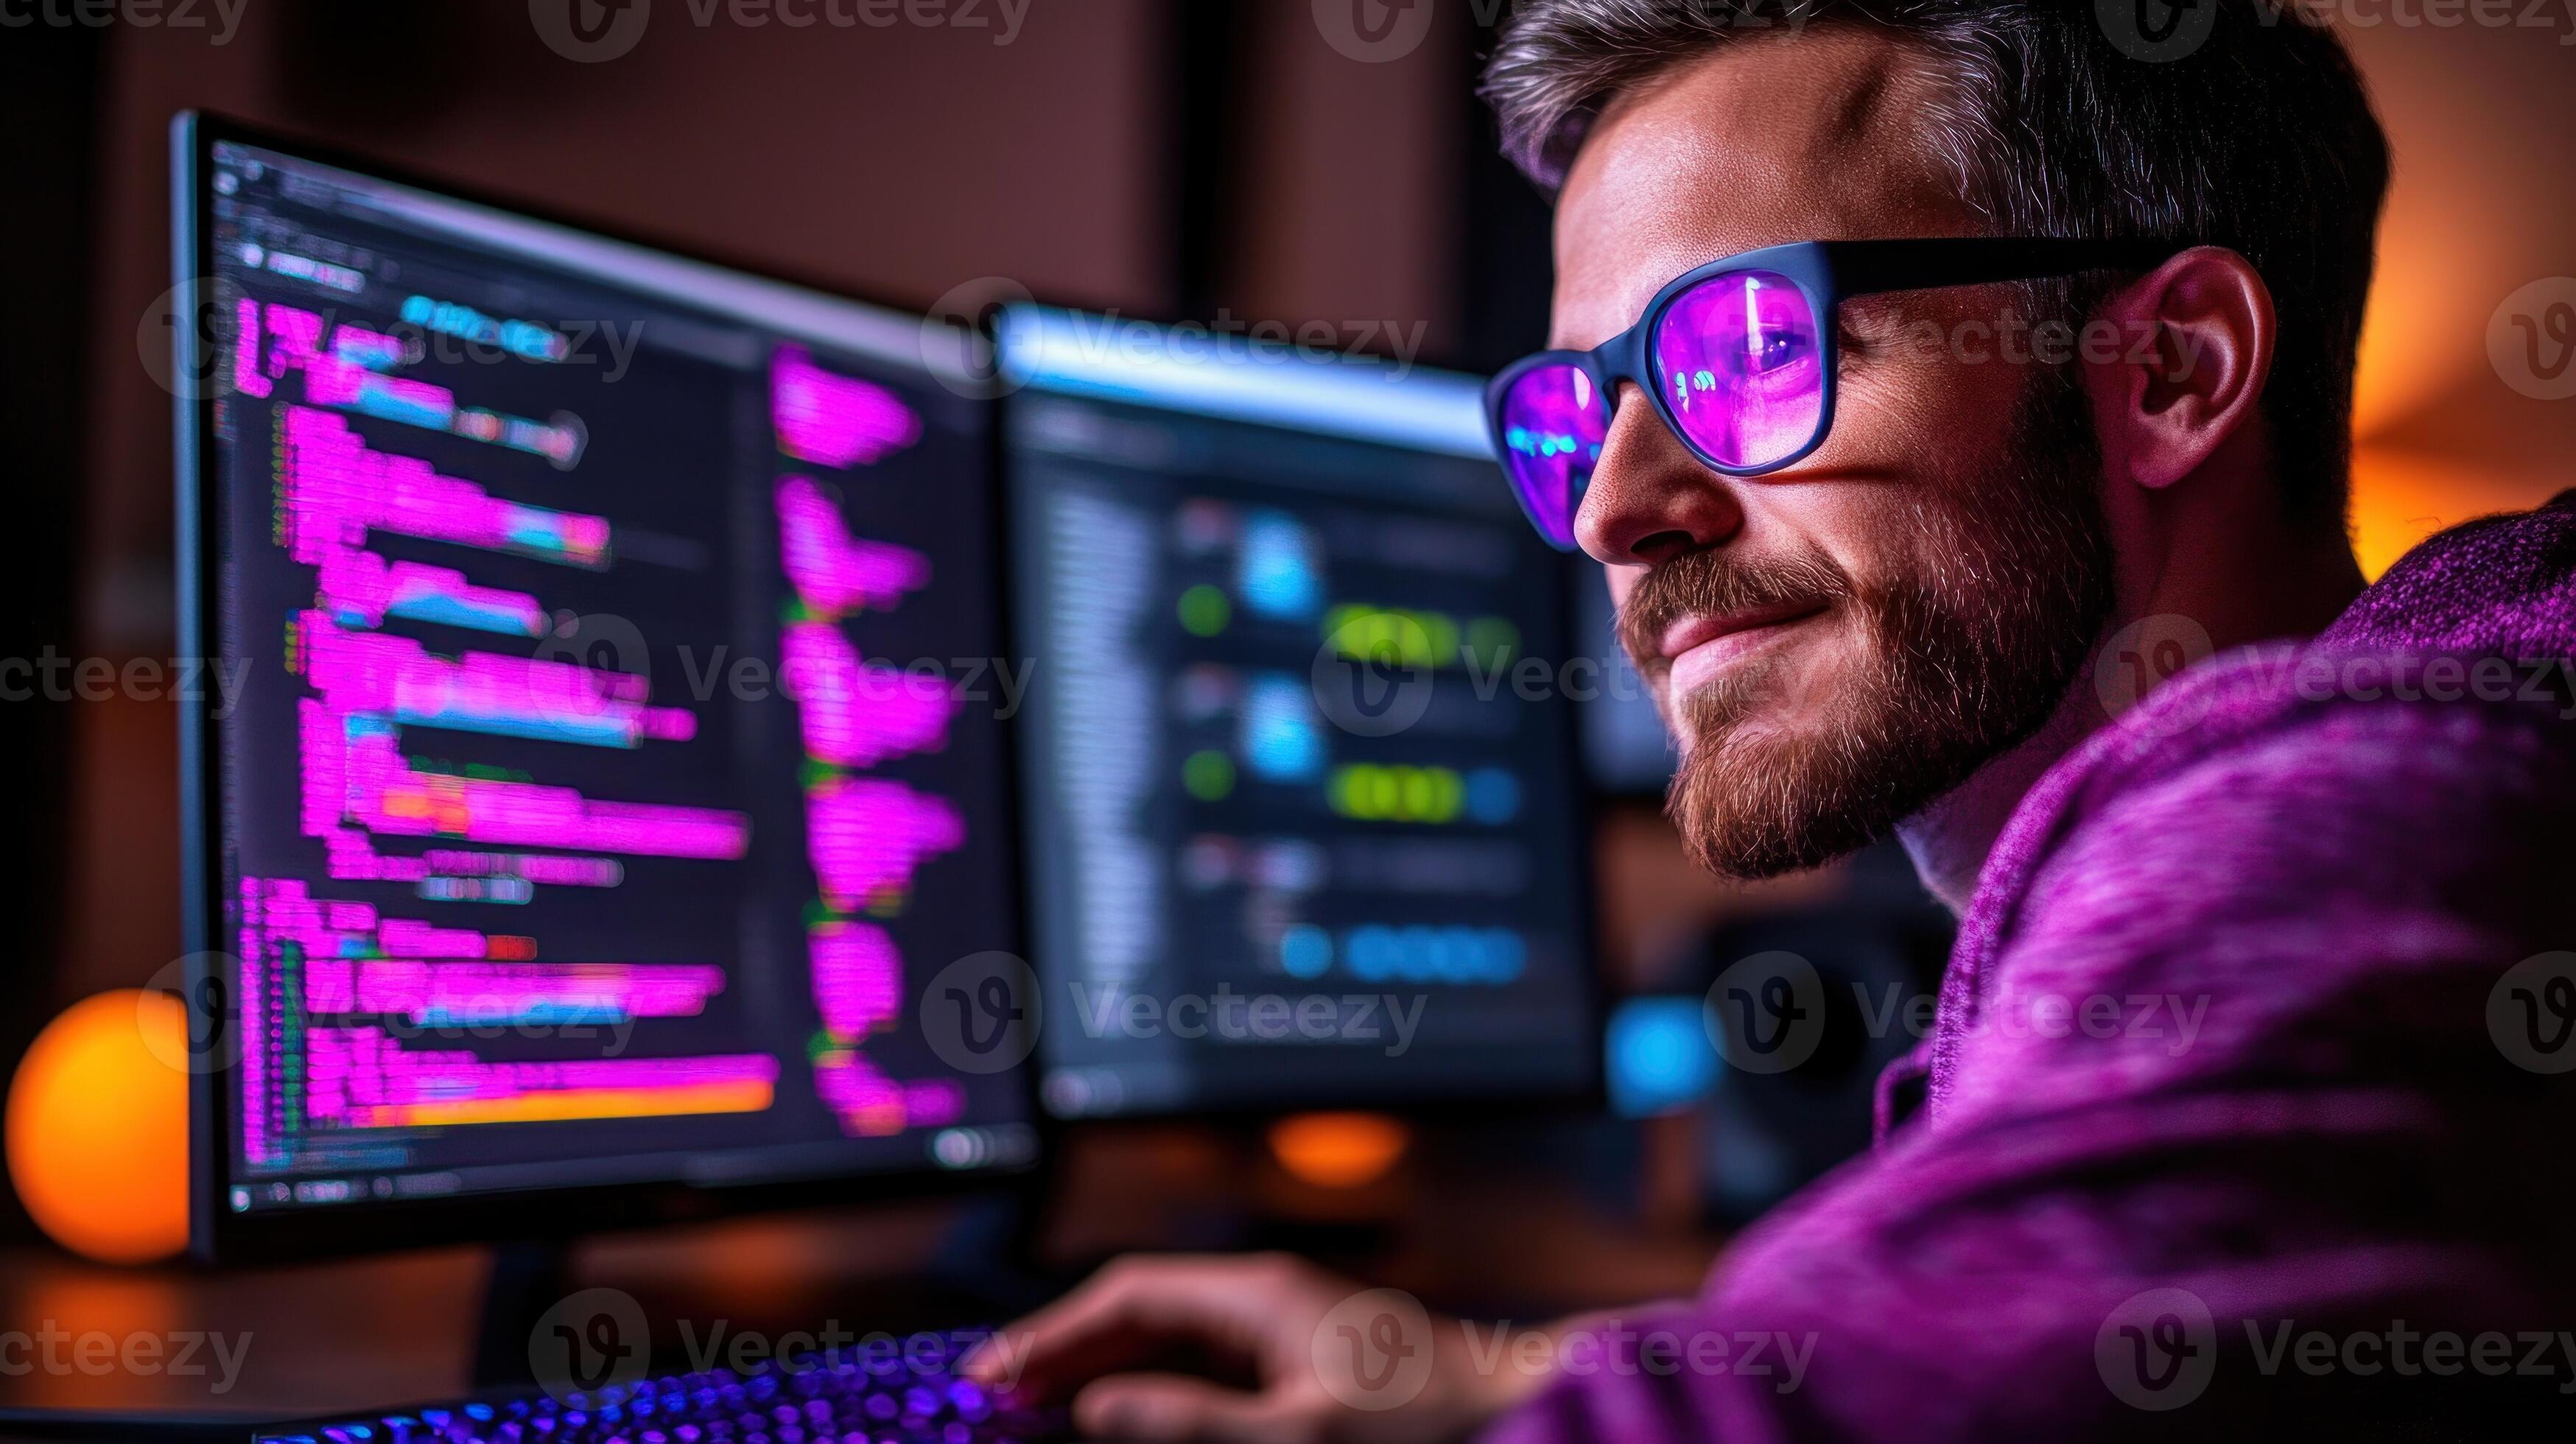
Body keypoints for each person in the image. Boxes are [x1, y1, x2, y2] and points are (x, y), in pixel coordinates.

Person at [968, 2, 2576, 1435]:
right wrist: (1504, 1380)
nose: (1611, 509)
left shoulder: (2392, 793)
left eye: (1754, 349)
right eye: (1582, 407)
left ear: (2170, 369)